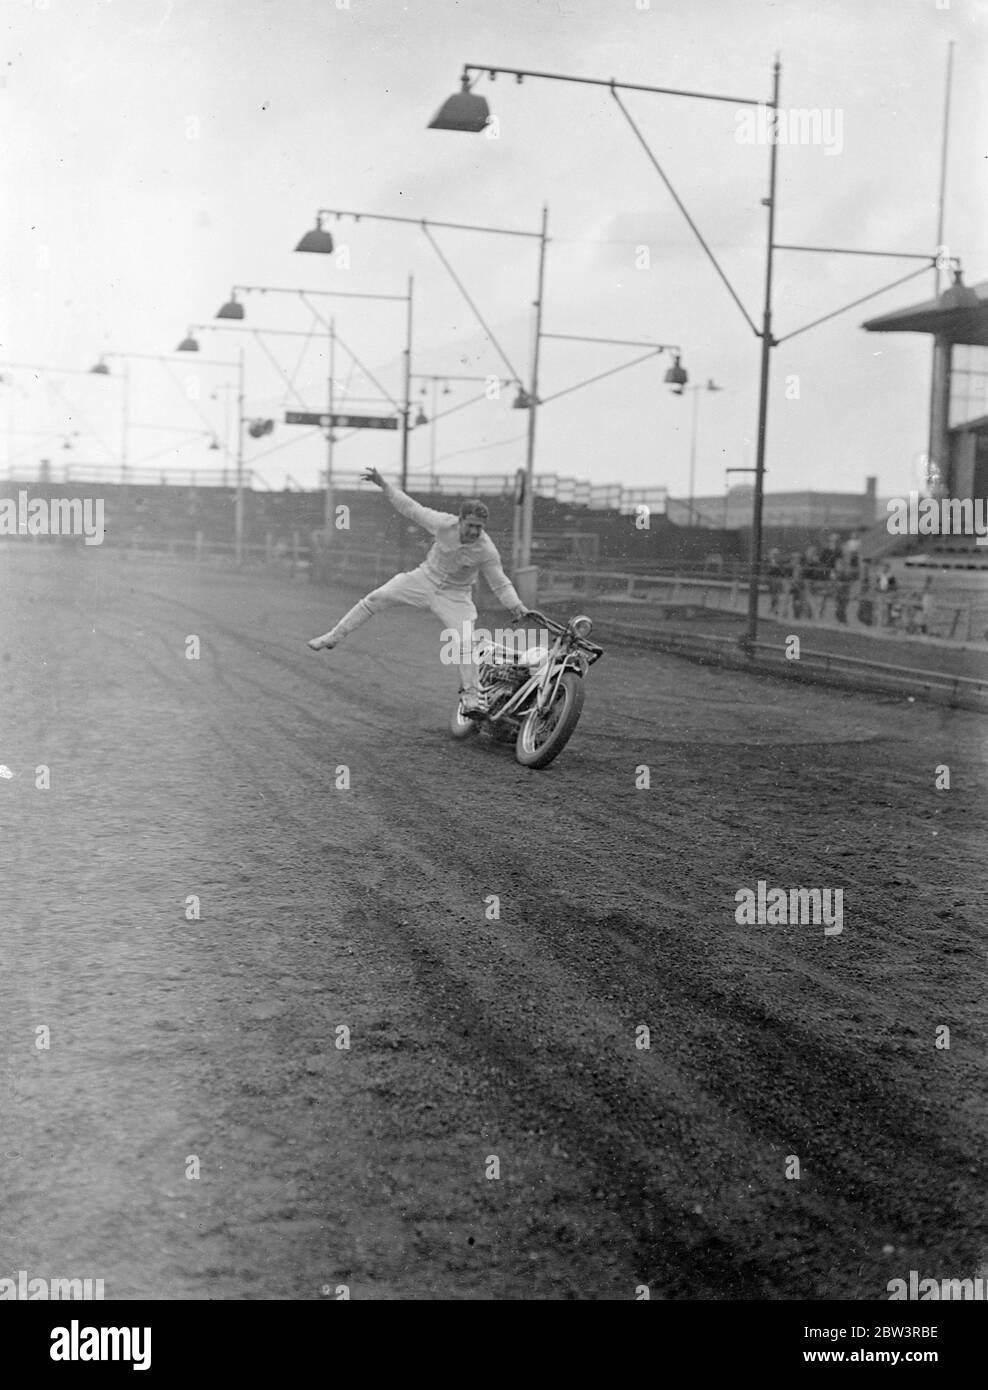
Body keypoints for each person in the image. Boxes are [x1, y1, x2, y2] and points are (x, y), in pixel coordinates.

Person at [307, 467, 527, 713]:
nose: (475, 532)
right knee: (376, 598)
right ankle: (333, 636)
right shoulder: (443, 523)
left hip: (456, 596)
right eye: (471, 525)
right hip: (423, 579)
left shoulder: (487, 549)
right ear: (460, 520)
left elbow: (500, 582)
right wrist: (383, 484)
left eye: (480, 527)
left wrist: (516, 606)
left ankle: (472, 697)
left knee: (465, 641)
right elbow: (410, 507)